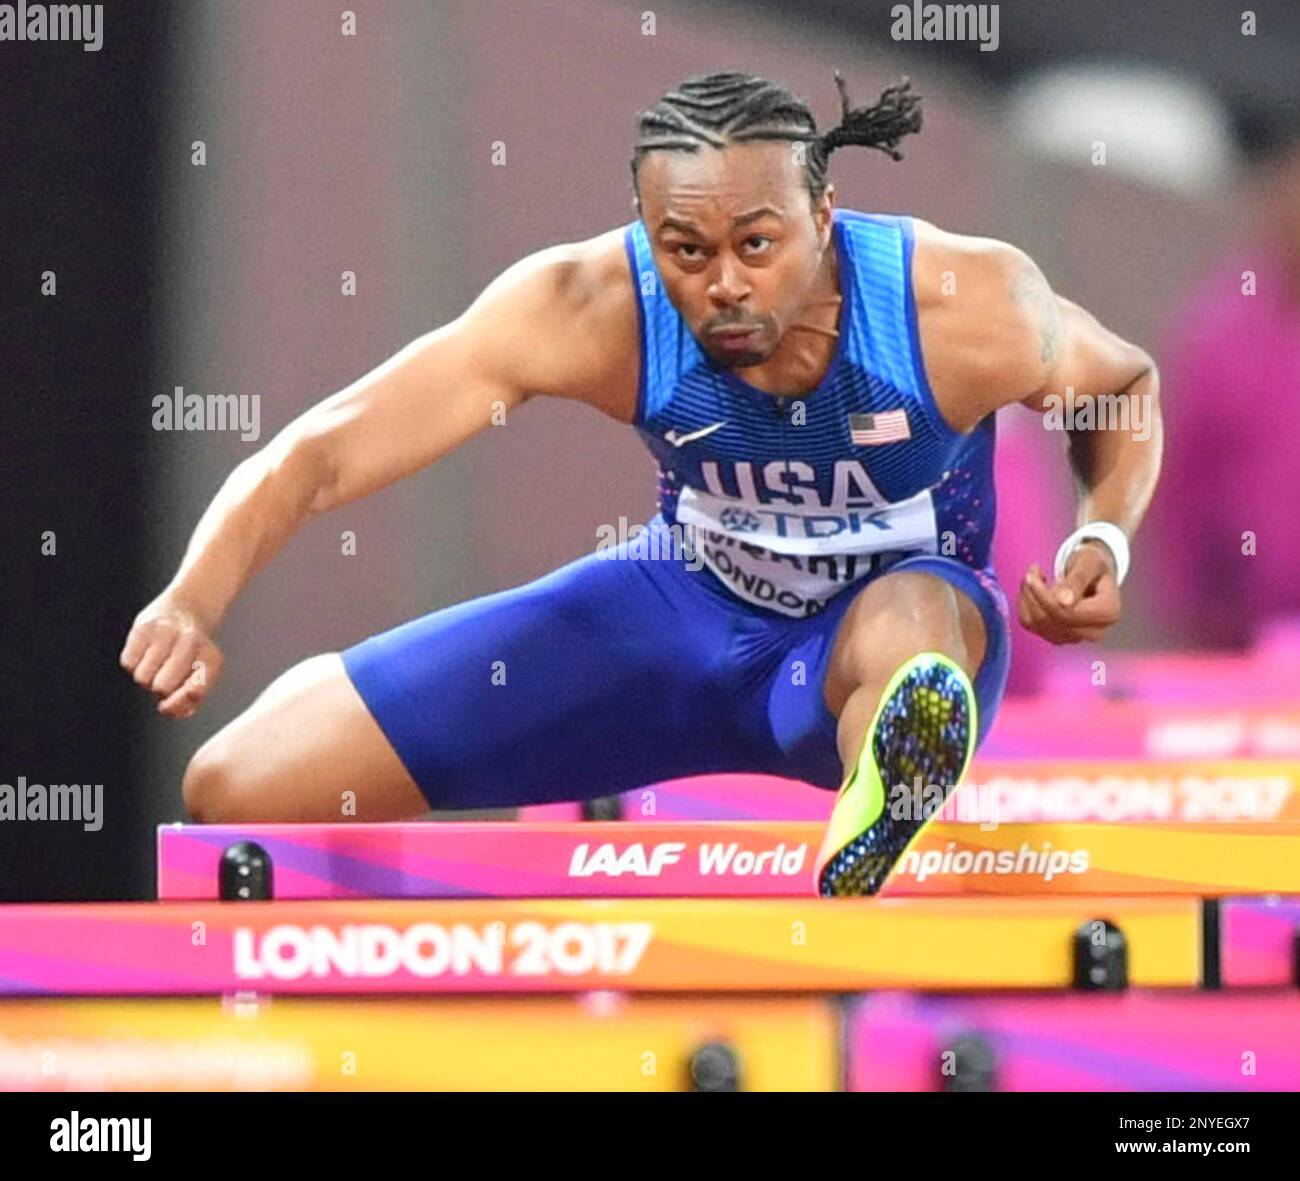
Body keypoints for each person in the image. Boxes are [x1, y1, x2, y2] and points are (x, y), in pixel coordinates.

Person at [120, 72, 1162, 896]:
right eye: (685, 249)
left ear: (824, 213)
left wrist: (1100, 539)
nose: (721, 284)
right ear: (643, 234)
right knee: (236, 785)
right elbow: (326, 447)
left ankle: (882, 804)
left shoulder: (958, 306)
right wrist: (194, 595)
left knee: (910, 623)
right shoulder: (590, 305)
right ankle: (340, 692)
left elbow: (1118, 386)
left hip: (872, 637)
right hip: (675, 616)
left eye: (757, 244)